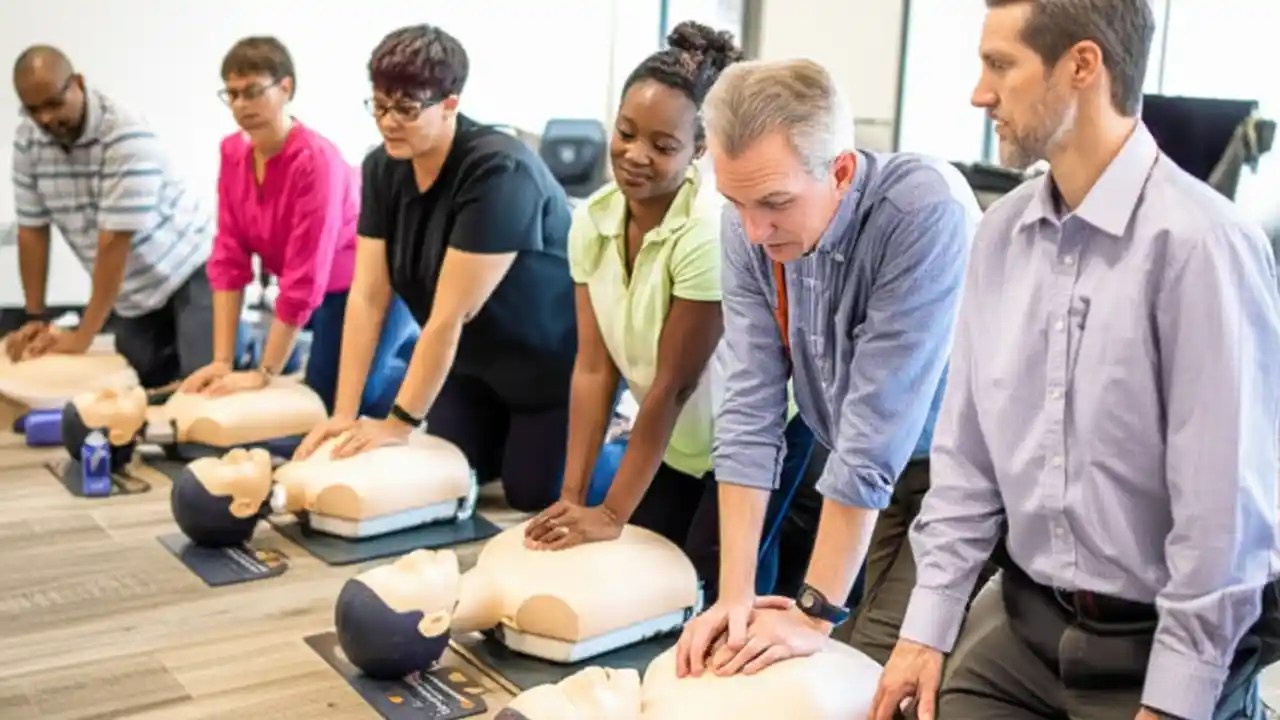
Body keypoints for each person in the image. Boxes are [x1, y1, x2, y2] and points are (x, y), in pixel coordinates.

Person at [871, 2, 1280, 719]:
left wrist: (1178, 700)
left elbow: (1225, 523)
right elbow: (965, 465)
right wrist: (924, 632)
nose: (979, 92)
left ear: (1082, 66)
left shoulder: (1203, 247)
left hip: (1160, 642)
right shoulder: (1000, 234)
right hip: (1027, 628)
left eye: (1001, 64)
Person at [672, 57, 980, 677]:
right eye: (736, 203)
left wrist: (812, 613)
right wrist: (733, 597)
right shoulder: (750, 223)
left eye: (775, 203)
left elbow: (876, 430)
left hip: (961, 481)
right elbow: (751, 404)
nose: (755, 230)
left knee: (869, 666)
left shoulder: (921, 212)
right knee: (808, 649)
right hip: (861, 469)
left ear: (839, 170)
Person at [521, 22, 817, 603]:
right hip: (681, 436)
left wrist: (611, 511)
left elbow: (672, 386)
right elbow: (593, 369)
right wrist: (575, 497)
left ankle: (751, 679)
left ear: (700, 150)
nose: (635, 156)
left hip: (758, 432)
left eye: (663, 146)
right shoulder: (594, 219)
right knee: (651, 567)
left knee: (716, 577)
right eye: (627, 133)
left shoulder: (707, 231)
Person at [294, 24, 577, 513]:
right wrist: (346, 412)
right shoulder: (382, 167)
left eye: (407, 108)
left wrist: (398, 424)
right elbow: (367, 297)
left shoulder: (497, 170)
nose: (388, 122)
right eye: (380, 105)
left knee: (531, 494)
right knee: (456, 474)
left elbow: (449, 316)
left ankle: (621, 443)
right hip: (470, 367)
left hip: (548, 368)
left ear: (450, 104)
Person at [179, 36, 417, 417]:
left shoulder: (315, 161)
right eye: (233, 94)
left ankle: (420, 368)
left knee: (351, 402)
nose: (241, 104)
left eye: (253, 91)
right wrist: (223, 361)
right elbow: (228, 258)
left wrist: (264, 372)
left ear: (285, 87)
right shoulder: (231, 151)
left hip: (373, 283)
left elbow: (304, 277)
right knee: (318, 399)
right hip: (322, 292)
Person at [6, 46, 213, 388]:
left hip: (189, 266)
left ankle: (246, 344)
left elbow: (113, 241)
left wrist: (82, 337)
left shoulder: (125, 134)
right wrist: (36, 317)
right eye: (33, 110)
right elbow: (32, 231)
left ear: (78, 84)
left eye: (54, 104)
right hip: (131, 286)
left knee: (201, 380)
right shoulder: (29, 141)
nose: (45, 118)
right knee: (144, 377)